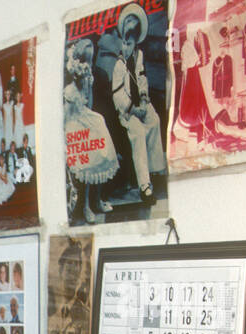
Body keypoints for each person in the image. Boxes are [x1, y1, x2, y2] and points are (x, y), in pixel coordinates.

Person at [112, 5, 167, 206]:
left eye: (130, 44)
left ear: (136, 43)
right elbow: (118, 95)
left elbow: (142, 78)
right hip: (127, 111)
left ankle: (154, 170)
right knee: (138, 133)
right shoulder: (119, 65)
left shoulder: (139, 55)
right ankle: (145, 185)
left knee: (154, 120)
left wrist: (144, 100)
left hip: (140, 104)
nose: (126, 48)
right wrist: (134, 109)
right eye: (124, 43)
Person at [64, 37, 120, 224]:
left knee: (100, 125)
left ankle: (96, 199)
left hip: (84, 116)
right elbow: (68, 110)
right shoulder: (70, 74)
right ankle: (86, 203)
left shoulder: (89, 76)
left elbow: (89, 102)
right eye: (86, 60)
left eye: (90, 60)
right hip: (71, 119)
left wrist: (91, 120)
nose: (87, 65)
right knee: (87, 152)